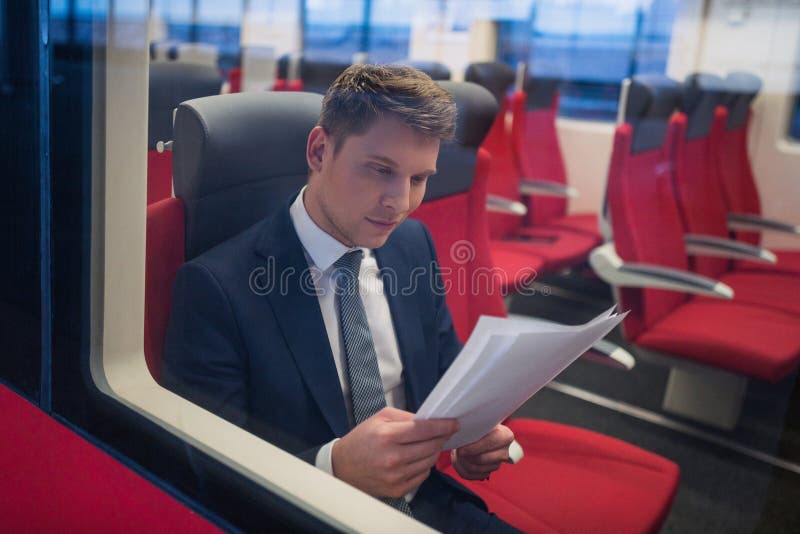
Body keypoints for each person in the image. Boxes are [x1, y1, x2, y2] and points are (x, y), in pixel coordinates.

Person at [163, 64, 519, 532]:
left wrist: (473, 435)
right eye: (380, 170)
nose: (401, 202)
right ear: (319, 150)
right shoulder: (216, 288)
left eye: (418, 179)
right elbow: (208, 476)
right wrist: (334, 468)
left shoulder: (413, 246)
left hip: (427, 504)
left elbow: (445, 380)